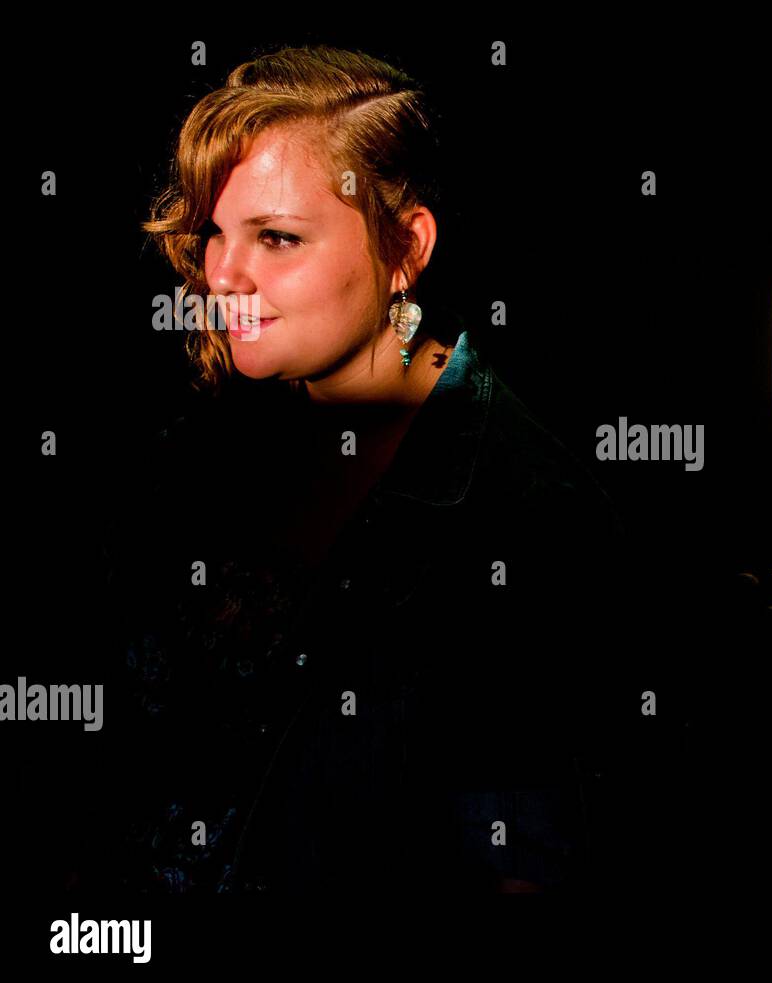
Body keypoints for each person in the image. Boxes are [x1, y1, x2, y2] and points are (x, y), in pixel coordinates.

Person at [91, 44, 631, 898]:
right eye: (215, 234)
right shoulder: (208, 438)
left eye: (276, 237)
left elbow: (524, 866)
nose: (222, 275)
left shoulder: (529, 516)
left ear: (406, 247)